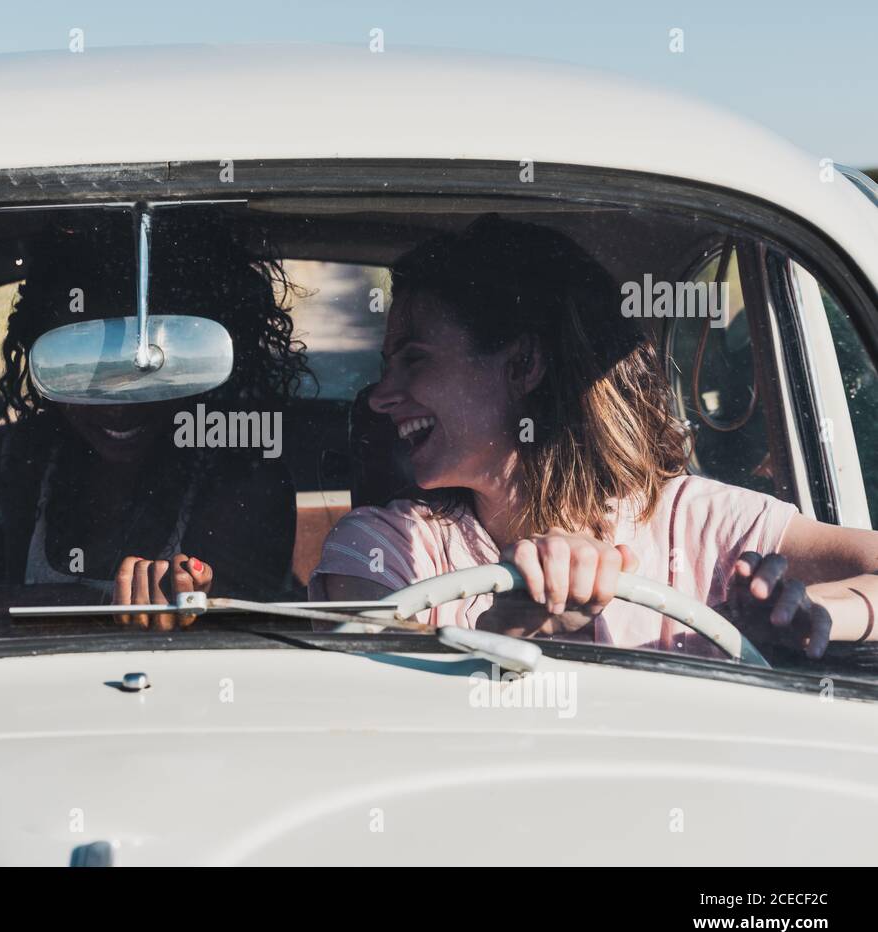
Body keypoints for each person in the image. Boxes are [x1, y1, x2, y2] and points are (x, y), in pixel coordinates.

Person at [311, 214, 878, 659]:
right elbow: (381, 713)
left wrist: (804, 612)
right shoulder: (387, 549)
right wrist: (507, 629)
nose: (379, 397)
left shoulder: (694, 521)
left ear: (523, 364)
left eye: (414, 360)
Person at [0, 212, 310, 628]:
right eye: (82, 370)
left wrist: (203, 612)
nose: (119, 405)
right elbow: (12, 611)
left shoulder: (244, 478)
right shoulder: (33, 455)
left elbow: (248, 647)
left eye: (153, 372)